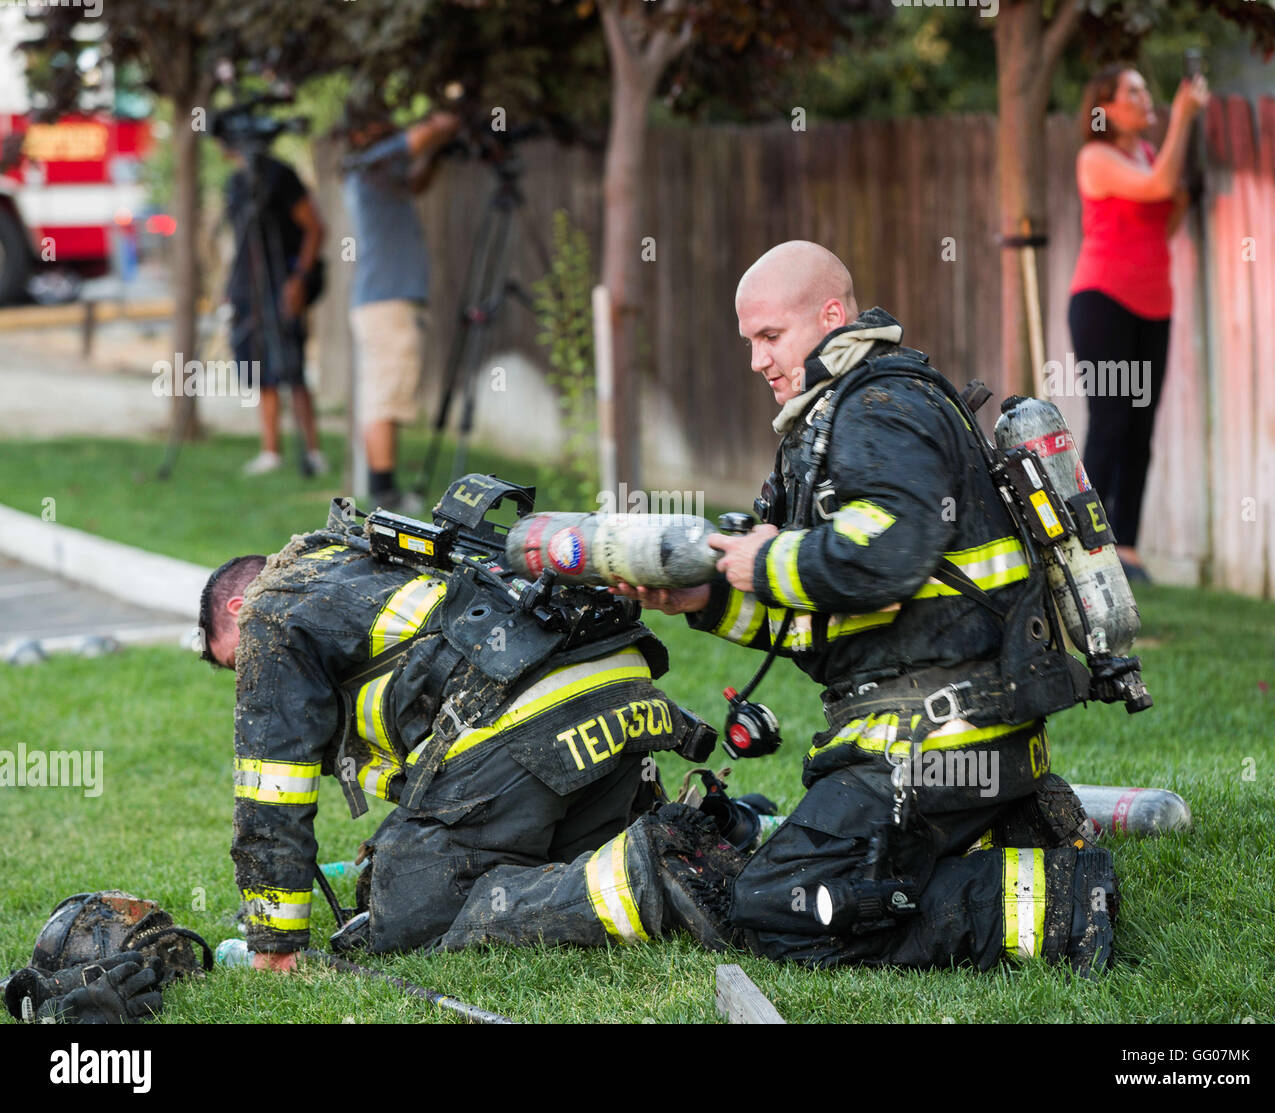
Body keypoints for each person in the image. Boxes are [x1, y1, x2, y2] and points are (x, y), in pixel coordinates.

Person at [614, 241, 1118, 973]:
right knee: (801, 885)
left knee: (779, 903)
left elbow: (885, 553)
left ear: (831, 315)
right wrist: (708, 597)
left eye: (770, 336)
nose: (757, 360)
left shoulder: (880, 406)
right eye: (749, 341)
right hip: (952, 739)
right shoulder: (836, 417)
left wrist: (768, 559)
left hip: (937, 744)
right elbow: (829, 618)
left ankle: (1060, 900)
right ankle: (1007, 833)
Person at [196, 486, 744, 969]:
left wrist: (274, 944)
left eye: (235, 663)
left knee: (409, 913)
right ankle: (697, 839)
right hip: (621, 698)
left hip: (531, 721)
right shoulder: (364, 555)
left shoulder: (270, 612)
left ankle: (654, 881)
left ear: (240, 607)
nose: (248, 678)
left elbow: (272, 789)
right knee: (527, 860)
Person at [1068, 66, 1210, 583]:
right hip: (1102, 300)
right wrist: (1186, 117)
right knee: (1109, 422)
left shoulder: (1148, 154)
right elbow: (1159, 186)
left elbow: (1163, 216)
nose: (1145, 97)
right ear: (1105, 107)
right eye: (1133, 91)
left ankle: (1125, 547)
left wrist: (1177, 192)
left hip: (1155, 303)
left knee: (1141, 428)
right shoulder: (1096, 157)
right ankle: (1086, 547)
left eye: (1144, 88)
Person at [340, 101, 461, 508]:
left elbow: (417, 181)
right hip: (386, 302)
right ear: (359, 134)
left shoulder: (375, 176)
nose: (388, 123)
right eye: (378, 120)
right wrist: (455, 112)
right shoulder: (374, 162)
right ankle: (383, 492)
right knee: (383, 397)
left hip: (383, 301)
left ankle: (382, 487)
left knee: (384, 393)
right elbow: (427, 131)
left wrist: (437, 153)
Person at [216, 120, 329, 478]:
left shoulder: (281, 177)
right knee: (258, 366)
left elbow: (315, 227)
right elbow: (241, 238)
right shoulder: (236, 184)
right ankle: (270, 451)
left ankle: (312, 451)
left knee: (292, 365)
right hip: (247, 287)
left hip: (283, 281)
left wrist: (299, 279)